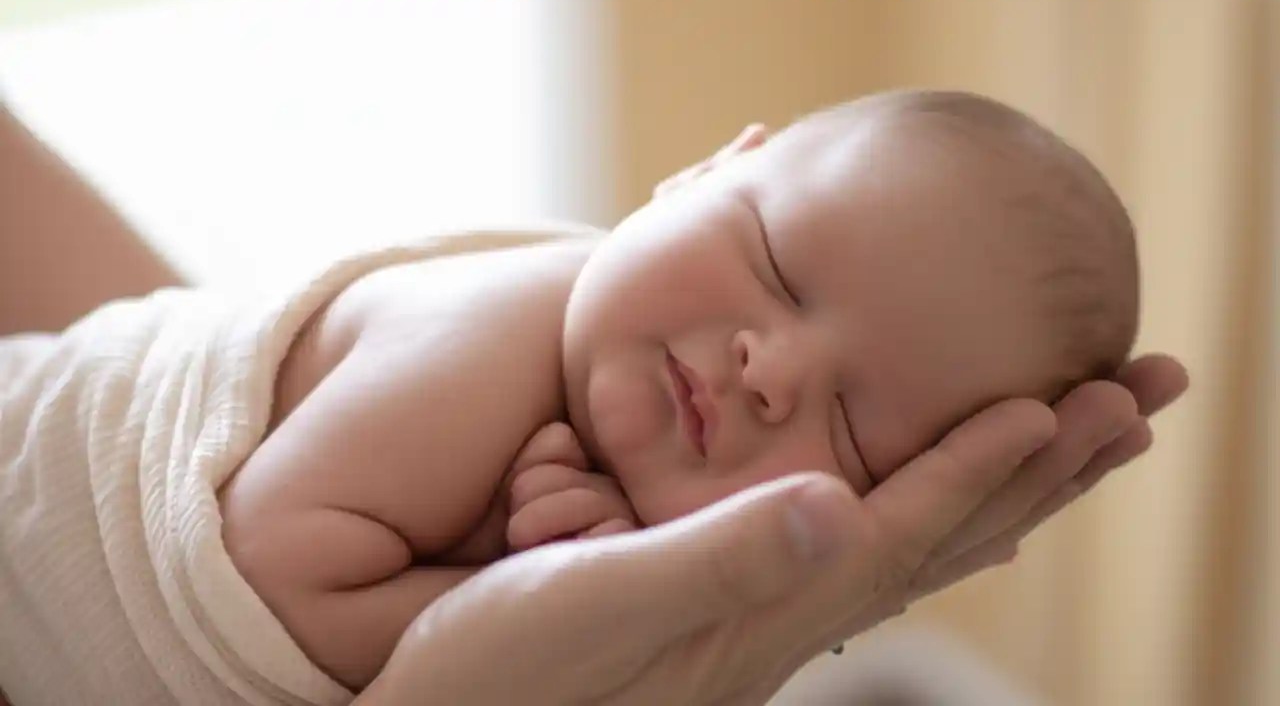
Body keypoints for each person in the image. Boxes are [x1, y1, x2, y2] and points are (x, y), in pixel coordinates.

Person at [0, 93, 1187, 706]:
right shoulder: (491, 334)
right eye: (773, 264)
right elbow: (268, 566)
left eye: (851, 428)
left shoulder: (614, 453)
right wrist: (516, 599)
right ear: (703, 171)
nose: (766, 368)